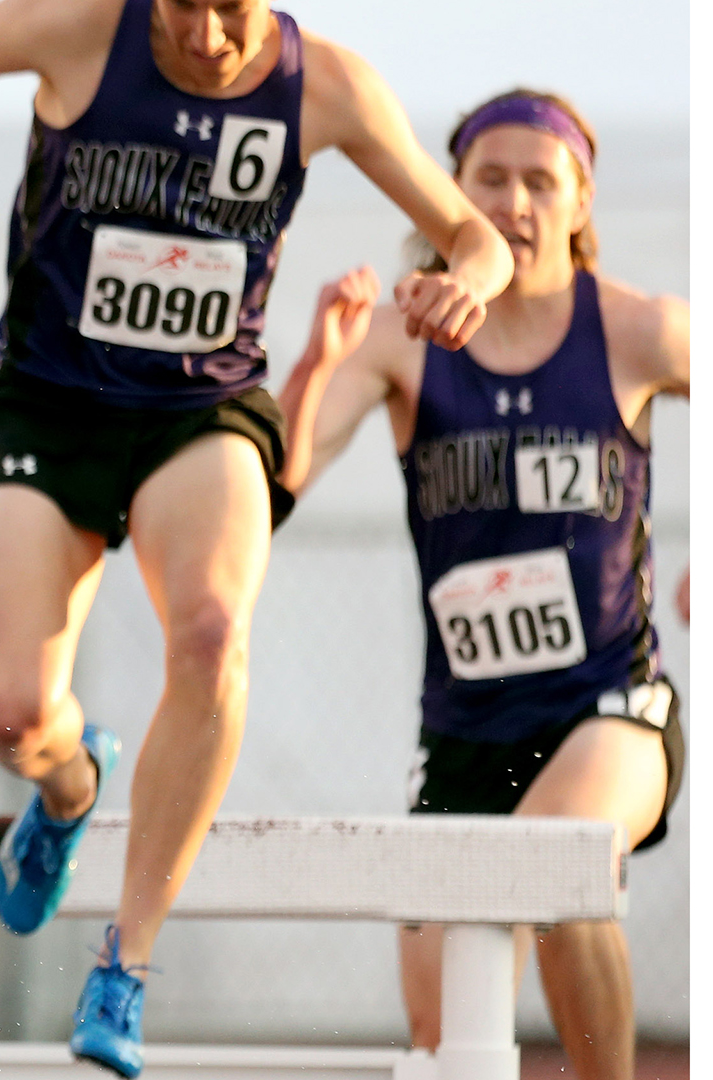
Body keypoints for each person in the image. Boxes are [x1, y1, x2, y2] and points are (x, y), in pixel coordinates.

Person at [0, 1, 512, 1072]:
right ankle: (71, 786)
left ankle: (127, 961)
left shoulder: (327, 84)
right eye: (181, 8)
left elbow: (476, 238)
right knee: (13, 716)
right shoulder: (77, 29)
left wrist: (465, 283)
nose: (207, 39)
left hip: (202, 410)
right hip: (53, 405)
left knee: (211, 634)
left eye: (231, 11)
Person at [278, 90, 688, 1080]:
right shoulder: (397, 340)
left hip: (609, 705)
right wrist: (314, 365)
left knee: (556, 863)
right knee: (442, 1041)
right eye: (490, 180)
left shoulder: (643, 330)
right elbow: (275, 483)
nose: (515, 202)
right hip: (463, 735)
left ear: (581, 202)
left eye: (541, 181)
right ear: (449, 196)